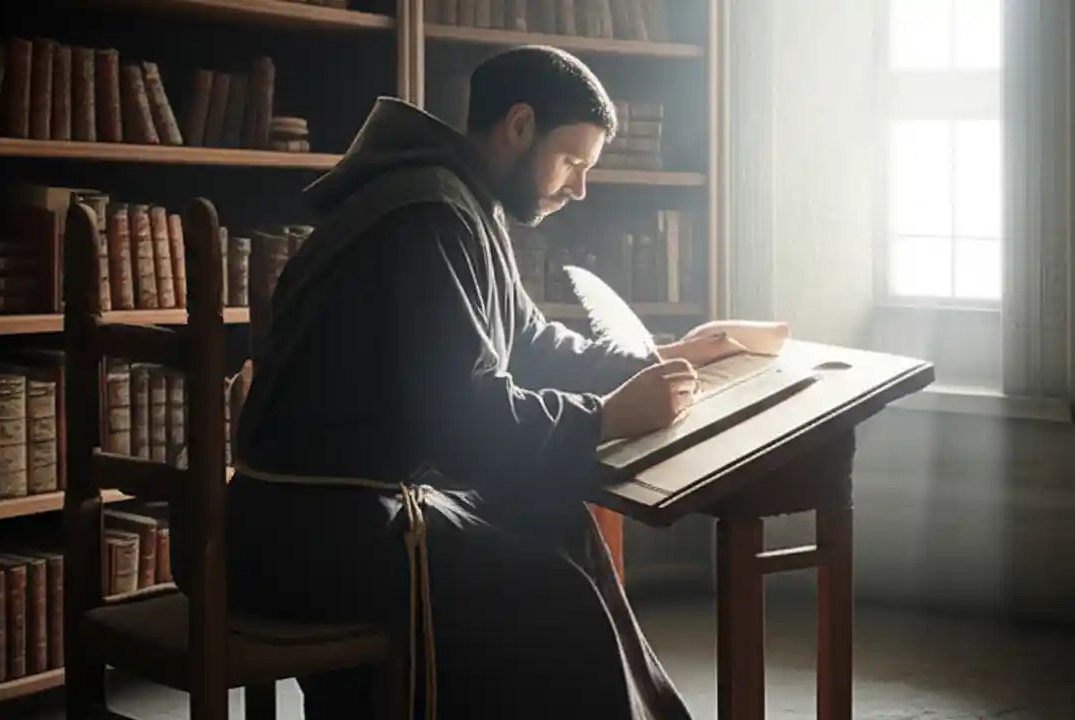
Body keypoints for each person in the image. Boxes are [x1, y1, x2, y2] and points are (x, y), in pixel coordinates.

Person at [218, 45, 744, 719]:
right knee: (555, 603)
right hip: (312, 534)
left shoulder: (456, 199)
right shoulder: (429, 216)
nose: (579, 187)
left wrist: (653, 359)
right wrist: (606, 417)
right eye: (572, 162)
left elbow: (529, 343)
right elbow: (464, 417)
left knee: (557, 529)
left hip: (335, 519)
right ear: (519, 126)